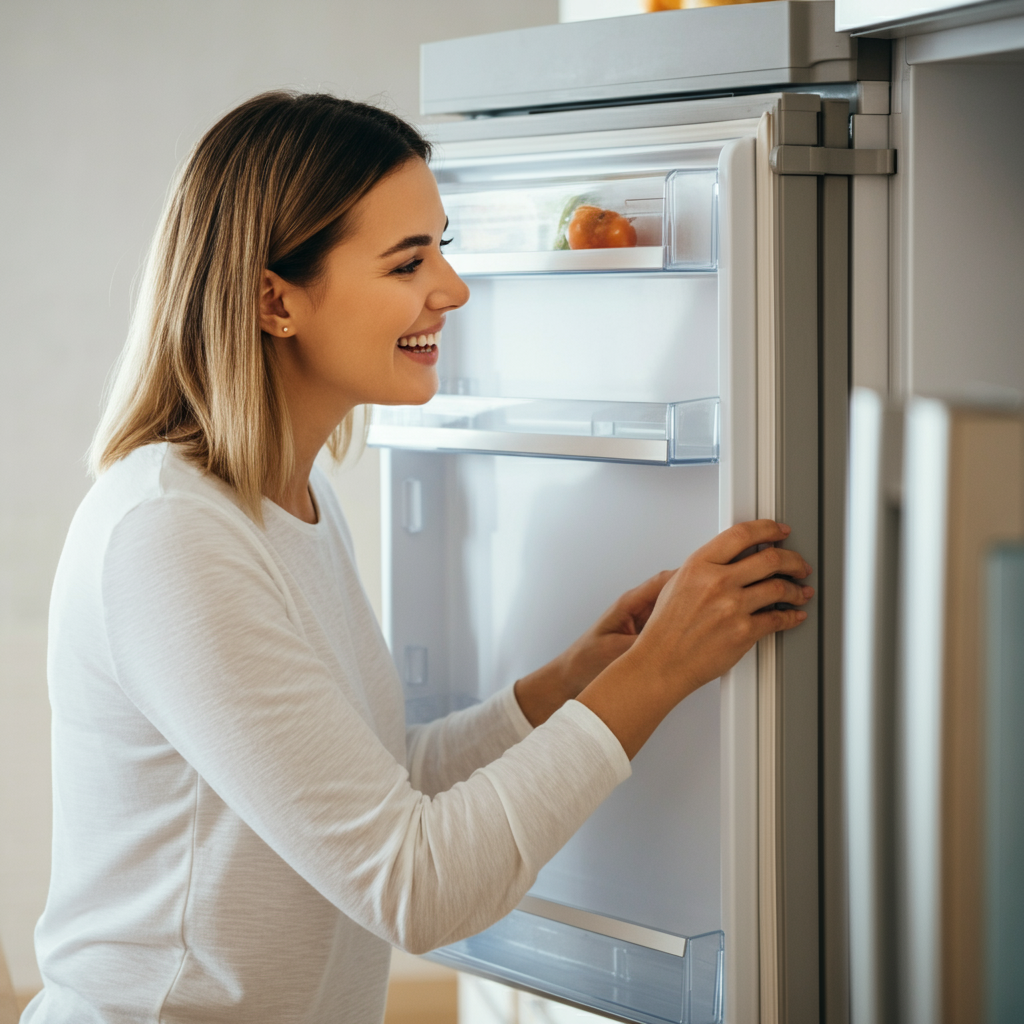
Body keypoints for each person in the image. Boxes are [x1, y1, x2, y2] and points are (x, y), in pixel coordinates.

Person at [26, 92, 812, 1024]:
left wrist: (561, 686)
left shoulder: (291, 507)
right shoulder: (169, 537)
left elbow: (375, 788)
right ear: (275, 299)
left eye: (441, 246)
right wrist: (658, 674)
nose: (452, 287)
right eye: (409, 261)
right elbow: (416, 886)